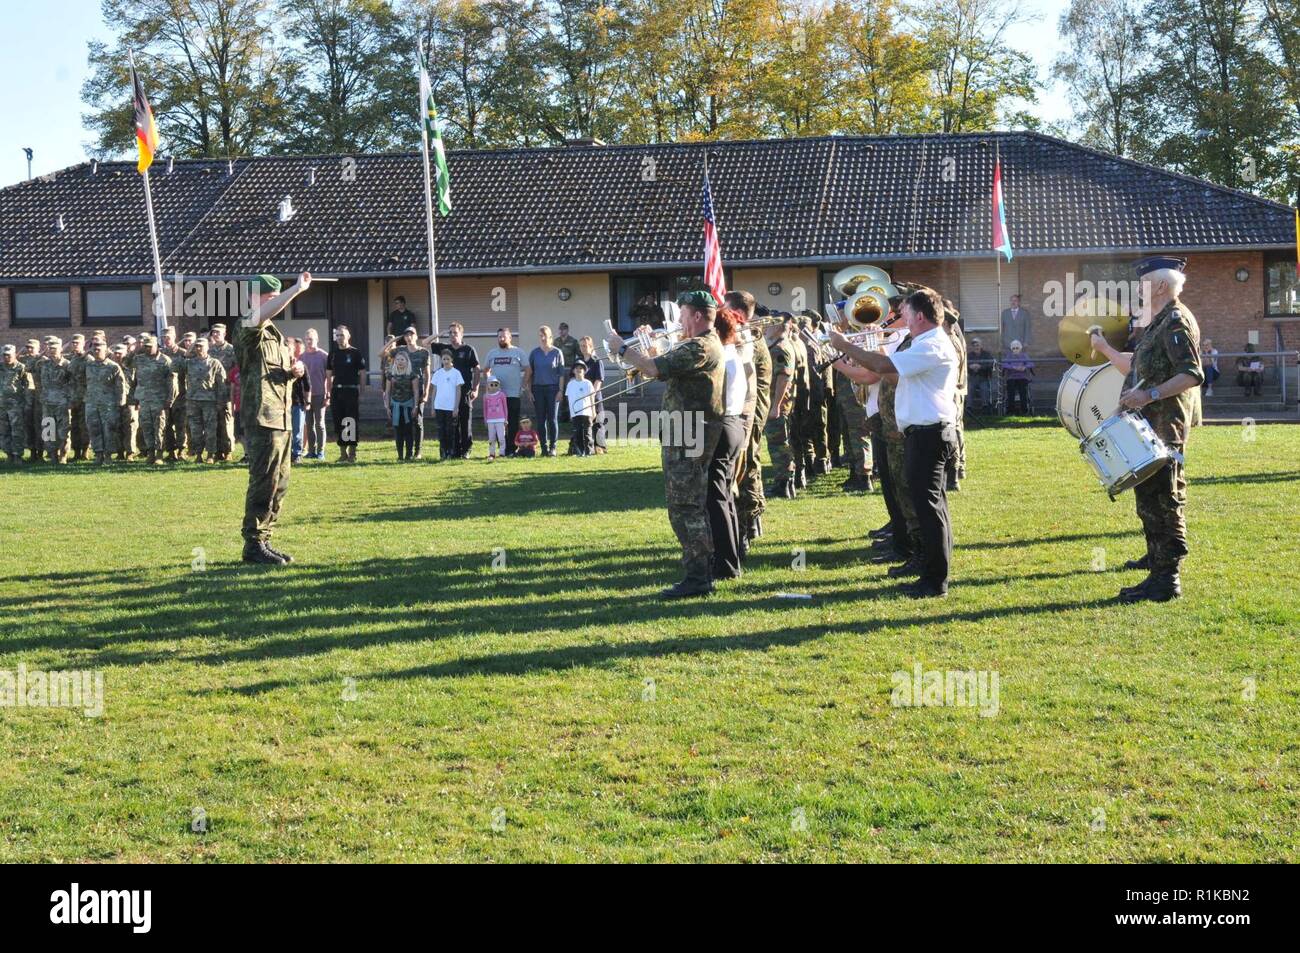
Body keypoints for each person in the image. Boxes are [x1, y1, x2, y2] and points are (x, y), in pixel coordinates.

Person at [831, 287, 959, 598]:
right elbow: (890, 367)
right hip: (924, 433)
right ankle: (931, 573)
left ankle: (934, 580)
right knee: (931, 507)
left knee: (928, 509)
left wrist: (845, 344)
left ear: (919, 316)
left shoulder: (932, 345)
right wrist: (872, 342)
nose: (900, 317)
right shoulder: (923, 342)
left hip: (930, 434)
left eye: (904, 313)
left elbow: (883, 368)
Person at [1090, 257, 1203, 602]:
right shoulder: (1158, 322)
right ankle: (1156, 569)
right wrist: (1130, 396)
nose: (1138, 290)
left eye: (1142, 284)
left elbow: (1192, 373)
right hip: (1148, 426)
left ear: (1159, 286)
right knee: (1149, 499)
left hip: (1165, 426)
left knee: (1165, 499)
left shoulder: (1175, 320)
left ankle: (1167, 580)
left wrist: (1149, 394)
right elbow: (1140, 367)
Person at [606, 290, 724, 598]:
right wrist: (650, 349)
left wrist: (622, 348)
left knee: (686, 508)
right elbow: (663, 365)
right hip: (684, 433)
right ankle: (700, 573)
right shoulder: (695, 345)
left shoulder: (701, 345)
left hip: (689, 434)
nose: (678, 320)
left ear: (697, 315)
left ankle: (698, 577)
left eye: (683, 313)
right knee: (684, 506)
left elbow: (654, 369)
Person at [236, 272, 311, 565]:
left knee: (280, 483)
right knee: (263, 481)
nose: (276, 302)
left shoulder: (276, 335)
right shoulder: (247, 323)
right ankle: (253, 544)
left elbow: (273, 374)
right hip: (261, 417)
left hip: (281, 417)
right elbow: (261, 315)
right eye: (270, 297)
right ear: (254, 298)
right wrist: (296, 289)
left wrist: (295, 372)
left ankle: (265, 539)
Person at [724, 291, 769, 549]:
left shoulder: (747, 336)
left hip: (746, 410)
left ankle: (746, 523)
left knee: (744, 466)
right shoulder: (744, 333)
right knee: (746, 466)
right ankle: (749, 523)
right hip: (747, 409)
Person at [707, 306, 749, 580]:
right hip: (733, 426)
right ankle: (731, 558)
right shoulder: (733, 353)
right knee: (725, 498)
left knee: (718, 500)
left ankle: (726, 564)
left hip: (723, 426)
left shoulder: (722, 357)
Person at [764, 314, 798, 499]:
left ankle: (783, 483)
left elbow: (784, 377)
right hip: (776, 402)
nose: (766, 328)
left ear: (778, 327)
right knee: (779, 444)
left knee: (779, 445)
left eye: (769, 325)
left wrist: (776, 405)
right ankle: (783, 482)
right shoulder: (780, 345)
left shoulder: (780, 348)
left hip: (777, 404)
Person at [132, 332, 176, 465]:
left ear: (157, 346)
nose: (147, 348)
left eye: (150, 346)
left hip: (160, 400)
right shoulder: (139, 359)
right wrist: (136, 349)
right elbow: (125, 363)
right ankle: (150, 452)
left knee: (160, 428)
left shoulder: (165, 360)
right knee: (146, 426)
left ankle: (159, 454)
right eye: (145, 346)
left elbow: (172, 382)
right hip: (144, 399)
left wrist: (170, 399)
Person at [83, 337, 127, 466]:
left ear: (105, 351)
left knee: (109, 429)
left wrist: (120, 402)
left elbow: (121, 385)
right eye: (94, 349)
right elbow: (82, 381)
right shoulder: (88, 365)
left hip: (108, 404)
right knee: (93, 429)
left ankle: (108, 456)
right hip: (91, 402)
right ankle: (98, 454)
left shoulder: (113, 366)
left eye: (99, 349)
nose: (96, 352)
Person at [325, 324, 366, 463]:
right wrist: (329, 392)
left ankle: (352, 453)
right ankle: (343, 453)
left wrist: (362, 390)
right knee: (339, 421)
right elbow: (329, 374)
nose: (339, 338)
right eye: (337, 335)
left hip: (351, 390)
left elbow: (362, 373)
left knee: (351, 421)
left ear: (348, 336)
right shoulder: (333, 354)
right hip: (337, 391)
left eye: (342, 335)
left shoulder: (355, 353)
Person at [184, 336, 228, 463]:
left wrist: (221, 402)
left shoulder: (215, 363)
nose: (198, 348)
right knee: (195, 429)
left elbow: (221, 384)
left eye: (201, 346)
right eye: (196, 346)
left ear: (207, 348)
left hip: (209, 401)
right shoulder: (189, 362)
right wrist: (190, 349)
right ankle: (198, 454)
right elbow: (175, 367)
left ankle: (210, 454)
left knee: (210, 429)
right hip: (193, 401)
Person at [482, 328, 526, 454]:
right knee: (497, 424)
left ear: (510, 337)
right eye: (499, 336)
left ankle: (511, 449)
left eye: (504, 336)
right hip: (496, 396)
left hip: (513, 394)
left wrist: (523, 385)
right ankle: (499, 450)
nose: (501, 339)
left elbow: (528, 369)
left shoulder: (518, 352)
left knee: (512, 422)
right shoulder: (492, 353)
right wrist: (490, 383)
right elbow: (485, 370)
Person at [526, 325, 564, 456]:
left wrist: (560, 390)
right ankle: (543, 447)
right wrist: (529, 391)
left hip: (553, 389)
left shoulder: (557, 352)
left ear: (550, 337)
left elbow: (561, 374)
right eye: (540, 336)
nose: (542, 338)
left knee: (552, 419)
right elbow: (529, 373)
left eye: (545, 336)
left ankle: (553, 447)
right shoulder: (534, 353)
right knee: (541, 419)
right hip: (538, 389)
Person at [38, 337, 74, 465]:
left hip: (62, 403)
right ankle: (52, 456)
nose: (51, 350)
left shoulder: (67, 365)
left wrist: (70, 399)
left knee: (63, 431)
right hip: (47, 402)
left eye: (54, 348)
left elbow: (73, 383)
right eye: (50, 348)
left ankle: (63, 456)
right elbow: (29, 367)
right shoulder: (43, 364)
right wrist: (41, 353)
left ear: (60, 349)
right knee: (48, 431)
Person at [385, 339, 422, 461]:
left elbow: (416, 391)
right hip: (395, 406)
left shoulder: (412, 375)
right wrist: (387, 407)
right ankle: (400, 455)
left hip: (408, 406)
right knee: (398, 432)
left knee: (408, 432)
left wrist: (416, 407)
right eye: (398, 360)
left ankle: (409, 454)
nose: (400, 362)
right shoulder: (391, 375)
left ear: (407, 361)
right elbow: (388, 392)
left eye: (402, 360)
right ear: (395, 362)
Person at [447, 322, 479, 458]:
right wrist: (439, 334)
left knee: (465, 421)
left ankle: (466, 450)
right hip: (449, 392)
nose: (452, 335)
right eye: (450, 333)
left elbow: (477, 369)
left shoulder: (468, 349)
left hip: (465, 390)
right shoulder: (446, 350)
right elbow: (425, 343)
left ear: (461, 334)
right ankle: (455, 450)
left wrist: (475, 388)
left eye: (455, 332)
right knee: (452, 422)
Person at [208, 323, 237, 461]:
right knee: (214, 423)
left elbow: (237, 369)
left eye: (218, 332)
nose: (215, 335)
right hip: (211, 392)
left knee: (226, 423)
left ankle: (228, 451)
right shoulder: (209, 350)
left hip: (226, 392)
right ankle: (217, 451)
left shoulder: (231, 350)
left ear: (224, 334)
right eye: (213, 332)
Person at [299, 328, 329, 460]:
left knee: (320, 423)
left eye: (311, 339)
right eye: (307, 339)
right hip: (306, 396)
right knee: (308, 424)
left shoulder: (324, 356)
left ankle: (321, 451)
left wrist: (328, 395)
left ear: (317, 339)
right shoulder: (302, 357)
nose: (309, 342)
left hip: (320, 394)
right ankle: (311, 450)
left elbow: (329, 377)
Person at [0, 345, 33, 464]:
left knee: (17, 431)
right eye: (4, 355)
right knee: (4, 431)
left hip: (16, 405)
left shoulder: (21, 367)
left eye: (9, 355)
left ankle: (18, 456)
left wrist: (27, 404)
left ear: (14, 355)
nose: (6, 357)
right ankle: (8, 455)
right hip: (2, 405)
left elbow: (29, 386)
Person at [159, 327, 188, 462]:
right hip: (164, 395)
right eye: (163, 337)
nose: (166, 340)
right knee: (167, 424)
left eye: (168, 337)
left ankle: (182, 450)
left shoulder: (183, 353)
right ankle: (171, 451)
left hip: (180, 396)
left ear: (175, 337)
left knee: (181, 424)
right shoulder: (160, 354)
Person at [430, 349, 464, 461]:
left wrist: (456, 407)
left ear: (452, 360)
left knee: (451, 431)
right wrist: (432, 407)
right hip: (439, 406)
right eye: (444, 359)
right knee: (441, 430)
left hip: (450, 407)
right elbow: (434, 391)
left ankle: (451, 452)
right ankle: (443, 452)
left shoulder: (456, 373)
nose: (445, 361)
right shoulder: (438, 373)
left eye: (447, 359)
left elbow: (458, 391)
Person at [576, 336, 606, 453]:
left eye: (586, 345)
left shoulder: (597, 361)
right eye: (581, 346)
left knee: (598, 422)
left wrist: (592, 394)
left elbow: (599, 380)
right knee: (584, 423)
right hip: (581, 398)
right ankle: (585, 446)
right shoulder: (578, 362)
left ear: (591, 346)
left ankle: (600, 447)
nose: (583, 348)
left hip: (594, 396)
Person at [66, 334, 90, 461]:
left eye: (77, 343)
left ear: (84, 344)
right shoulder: (72, 359)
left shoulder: (89, 359)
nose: (74, 345)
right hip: (73, 397)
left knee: (84, 425)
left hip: (85, 397)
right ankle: (76, 451)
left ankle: (85, 451)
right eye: (73, 343)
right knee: (74, 426)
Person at [564, 360, 596, 456]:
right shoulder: (570, 384)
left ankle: (589, 451)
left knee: (587, 432)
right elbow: (569, 400)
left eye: (581, 368)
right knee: (577, 432)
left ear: (584, 371)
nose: (579, 370)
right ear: (573, 371)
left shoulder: (588, 383)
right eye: (577, 368)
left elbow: (592, 398)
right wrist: (571, 413)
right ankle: (579, 451)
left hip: (587, 412)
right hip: (575, 413)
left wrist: (593, 411)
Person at [19, 339, 43, 462]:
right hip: (28, 398)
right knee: (29, 424)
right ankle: (32, 451)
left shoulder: (43, 360)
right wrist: (21, 351)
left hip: (41, 398)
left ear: (38, 348)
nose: (29, 349)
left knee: (42, 425)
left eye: (31, 347)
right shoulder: (23, 360)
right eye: (27, 347)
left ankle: (42, 452)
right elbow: (13, 359)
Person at [289, 337, 312, 464]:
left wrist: (308, 402)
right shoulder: (279, 366)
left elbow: (308, 385)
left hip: (297, 402)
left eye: (290, 349)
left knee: (297, 430)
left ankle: (296, 454)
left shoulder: (300, 365)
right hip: (283, 404)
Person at [1001, 340, 1034, 414]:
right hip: (1011, 377)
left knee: (1023, 391)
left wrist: (1024, 367)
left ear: (1020, 348)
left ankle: (1024, 410)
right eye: (1013, 348)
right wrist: (1013, 367)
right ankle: (1010, 410)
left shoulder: (1024, 355)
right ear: (1011, 349)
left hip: (1022, 377)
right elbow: (1004, 364)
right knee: (1010, 391)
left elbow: (1031, 364)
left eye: (1017, 348)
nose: (1015, 350)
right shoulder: (1009, 356)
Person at [483, 378, 508, 461]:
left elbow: (505, 407)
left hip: (500, 419)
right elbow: (485, 409)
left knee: (501, 437)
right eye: (491, 384)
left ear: (498, 385)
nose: (493, 386)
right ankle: (492, 453)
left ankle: (502, 452)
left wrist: (506, 419)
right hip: (490, 420)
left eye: (496, 384)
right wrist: (485, 419)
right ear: (488, 386)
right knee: (491, 438)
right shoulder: (486, 396)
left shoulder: (501, 395)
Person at [967, 337, 995, 411]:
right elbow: (964, 365)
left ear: (981, 345)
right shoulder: (969, 355)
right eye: (974, 345)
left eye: (977, 345)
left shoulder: (986, 354)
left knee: (984, 389)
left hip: (983, 377)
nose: (976, 347)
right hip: (972, 377)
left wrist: (980, 367)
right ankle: (969, 408)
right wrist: (970, 367)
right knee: (970, 388)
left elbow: (991, 364)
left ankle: (985, 407)